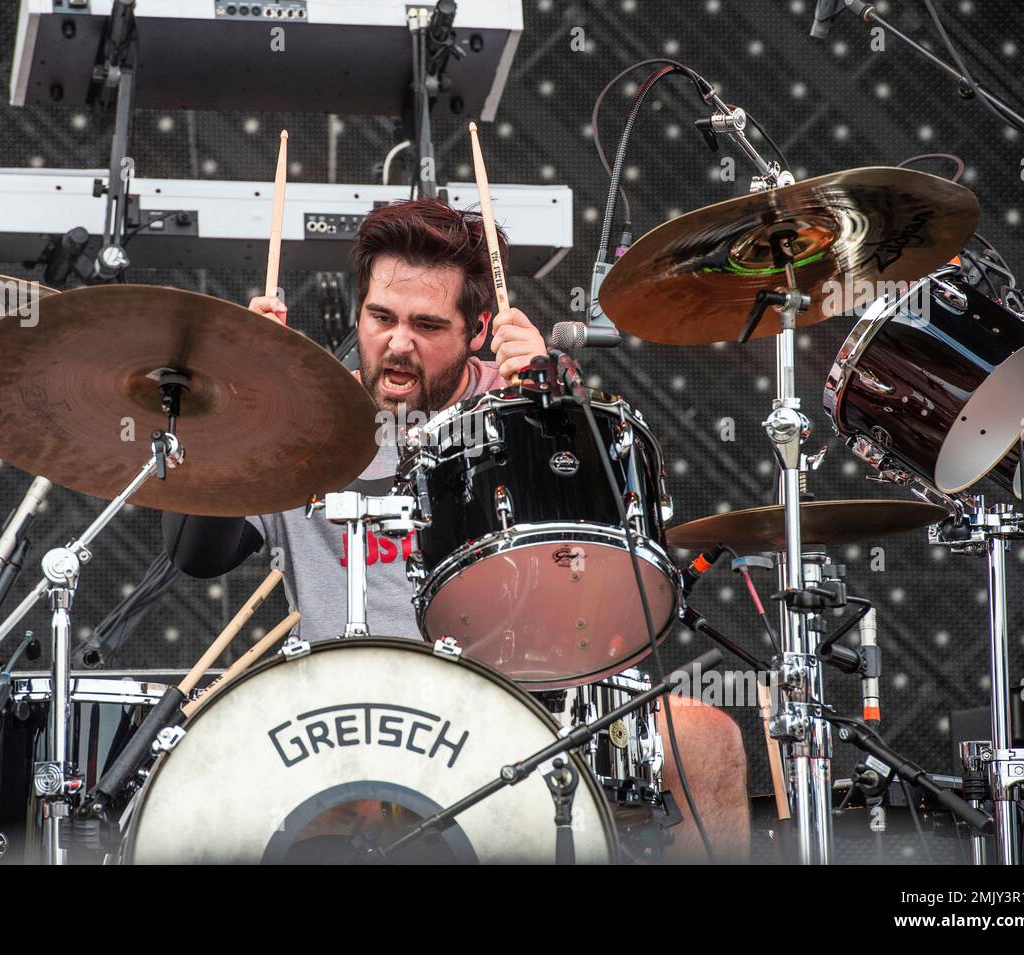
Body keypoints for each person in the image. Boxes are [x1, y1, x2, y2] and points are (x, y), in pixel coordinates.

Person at [162, 198, 748, 860]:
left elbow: (598, 560)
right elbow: (195, 556)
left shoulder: (524, 398)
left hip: (511, 709)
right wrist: (228, 401)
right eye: (381, 317)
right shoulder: (298, 414)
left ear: (478, 329)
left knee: (708, 739)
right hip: (345, 722)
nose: (398, 342)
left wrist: (554, 403)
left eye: (427, 324)